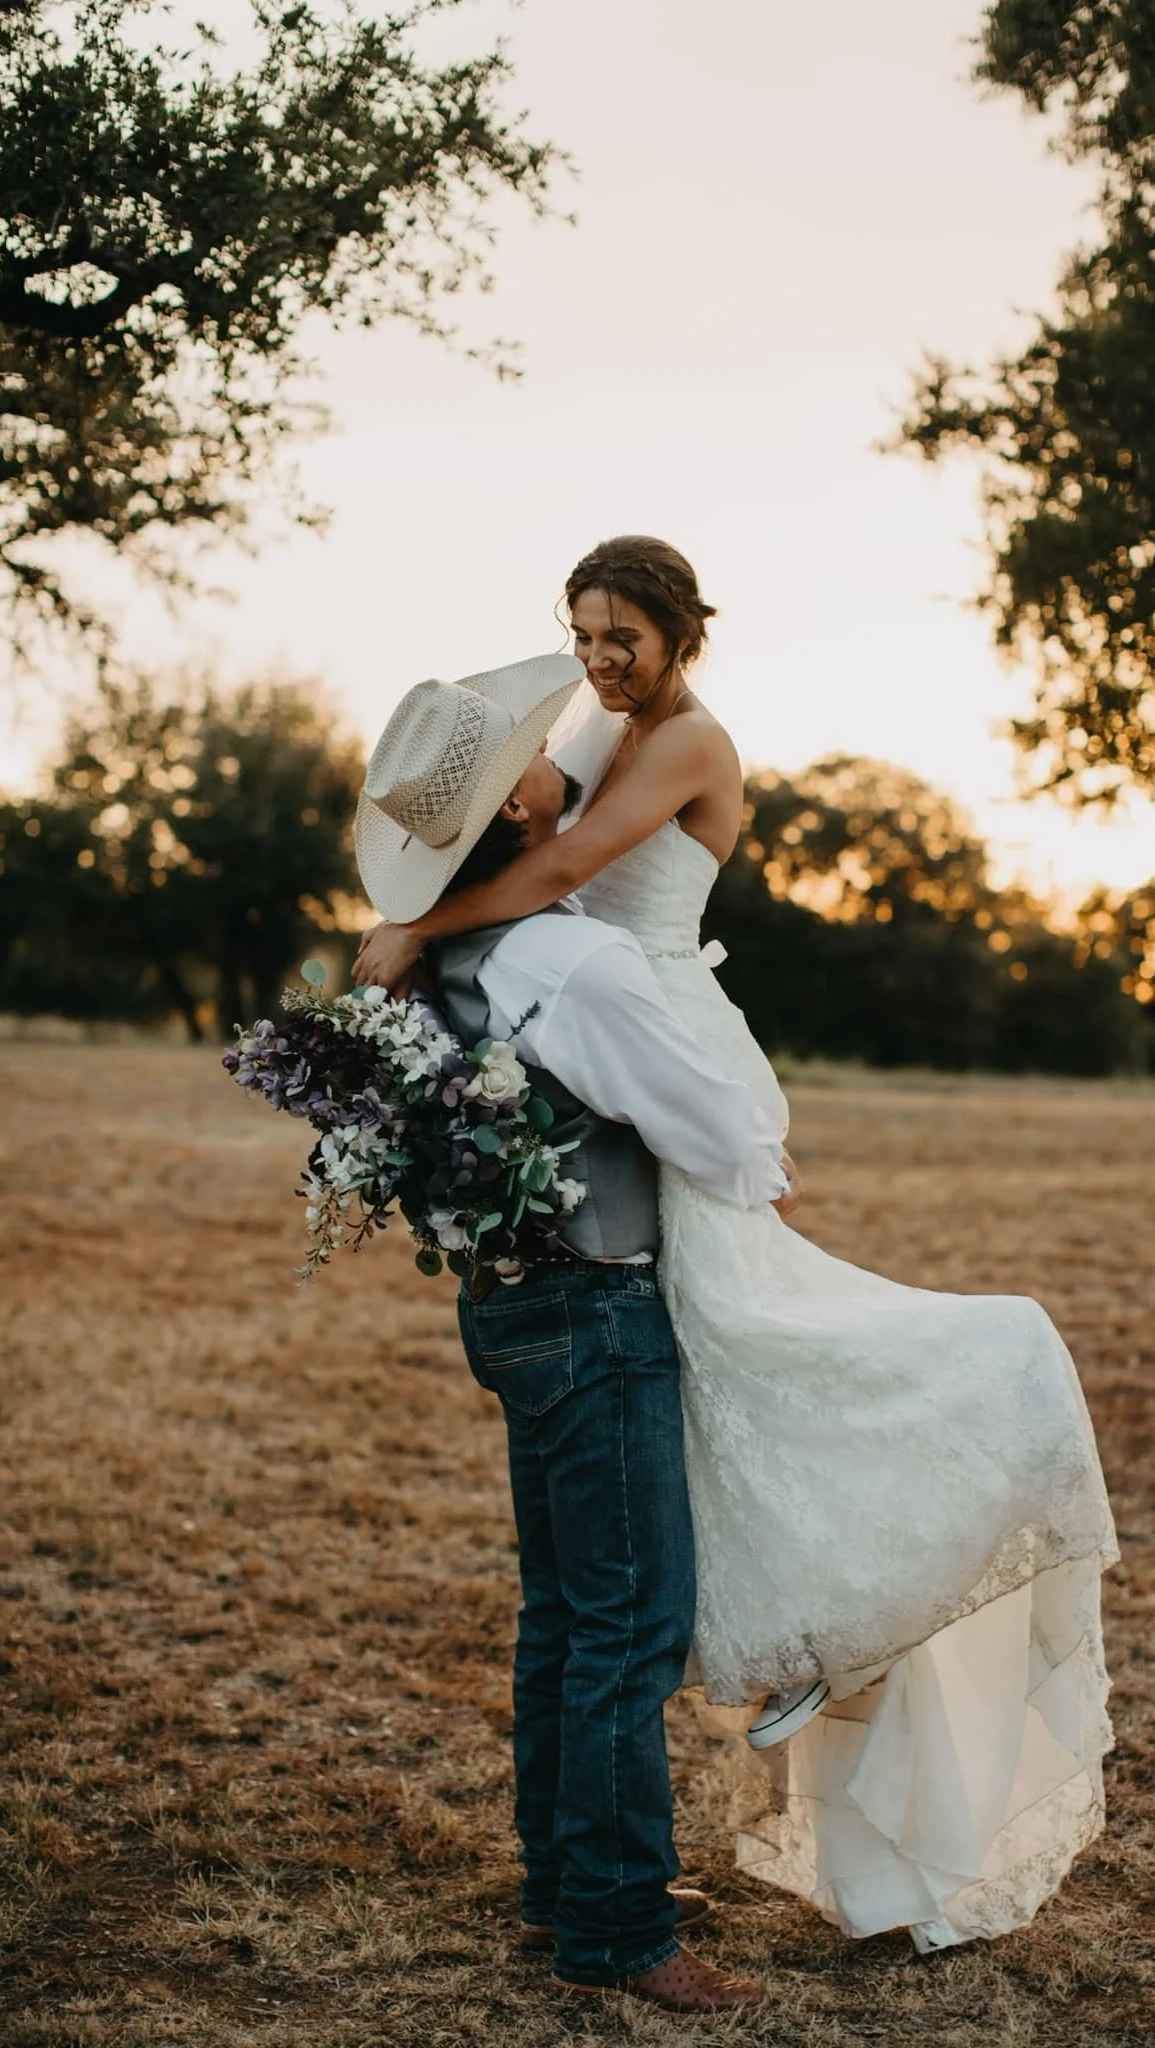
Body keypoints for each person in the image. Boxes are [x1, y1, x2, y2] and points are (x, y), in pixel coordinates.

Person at [354, 544, 1120, 1952]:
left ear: (681, 631)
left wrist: (408, 931)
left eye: (619, 635)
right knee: (658, 1550)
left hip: (529, 1265)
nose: (591, 664)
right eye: (578, 638)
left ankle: (584, 1876)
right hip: (618, 1169)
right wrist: (730, 1149)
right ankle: (639, 1883)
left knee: (634, 1515)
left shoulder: (665, 756)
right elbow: (577, 887)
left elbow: (570, 861)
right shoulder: (553, 934)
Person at [355, 652, 789, 2012]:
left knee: (564, 1613)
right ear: (525, 812)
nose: (565, 758)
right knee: (630, 1625)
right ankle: (616, 1928)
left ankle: (563, 1882)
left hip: (507, 1304)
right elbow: (721, 1130)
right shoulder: (577, 959)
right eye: (541, 755)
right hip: (598, 1302)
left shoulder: (442, 961)